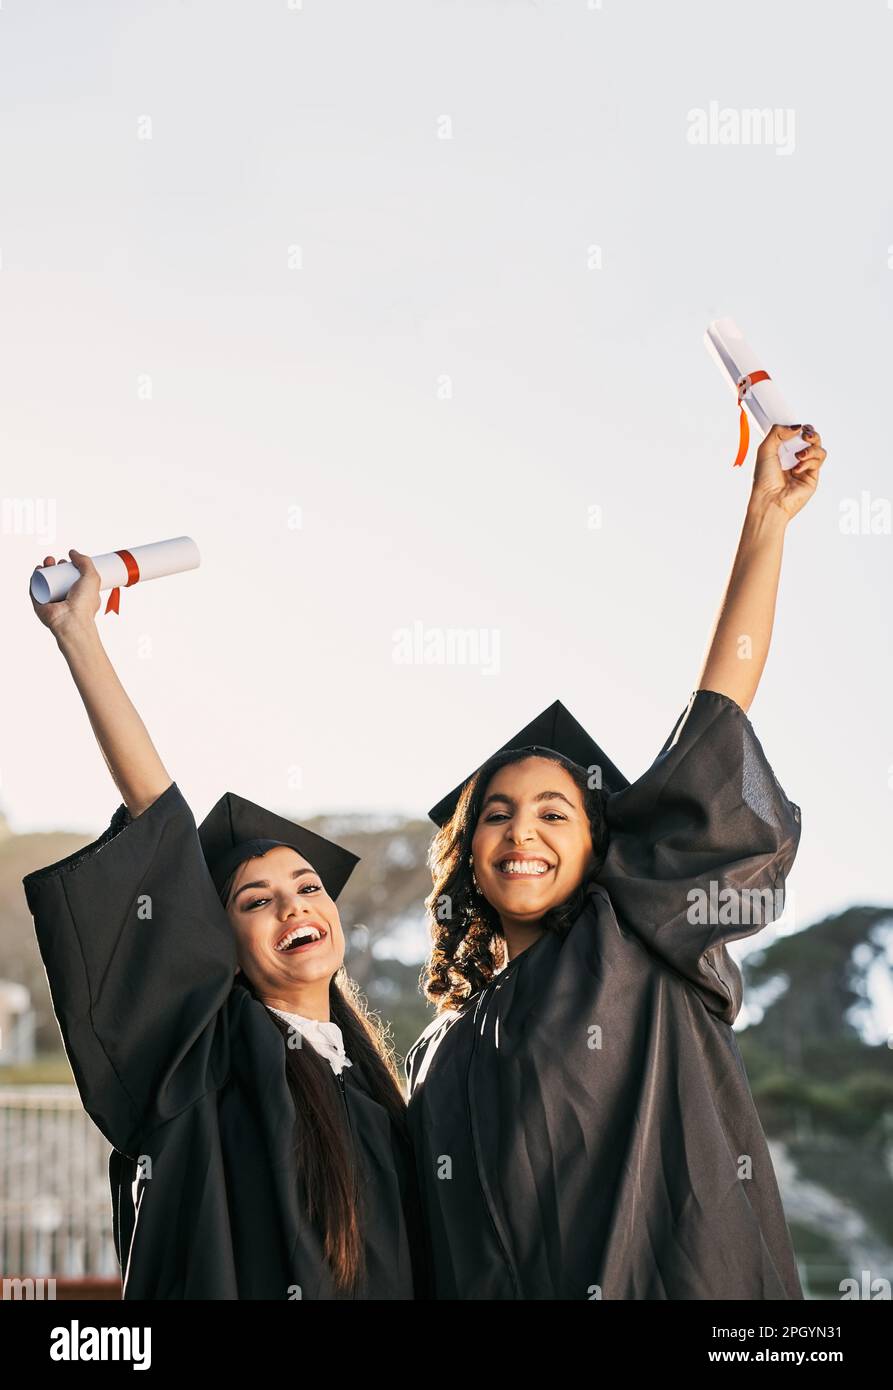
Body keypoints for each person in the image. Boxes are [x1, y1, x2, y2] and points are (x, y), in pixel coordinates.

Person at [405, 423, 827, 1300]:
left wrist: (766, 523)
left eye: (555, 812)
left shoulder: (632, 932)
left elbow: (715, 713)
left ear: (606, 852)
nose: (524, 831)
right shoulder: (435, 1053)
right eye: (498, 814)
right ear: (467, 855)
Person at [23, 549, 426, 1300]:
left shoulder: (383, 1095)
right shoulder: (205, 1061)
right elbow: (158, 817)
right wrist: (80, 637)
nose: (293, 904)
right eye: (254, 900)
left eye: (306, 886)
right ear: (216, 947)